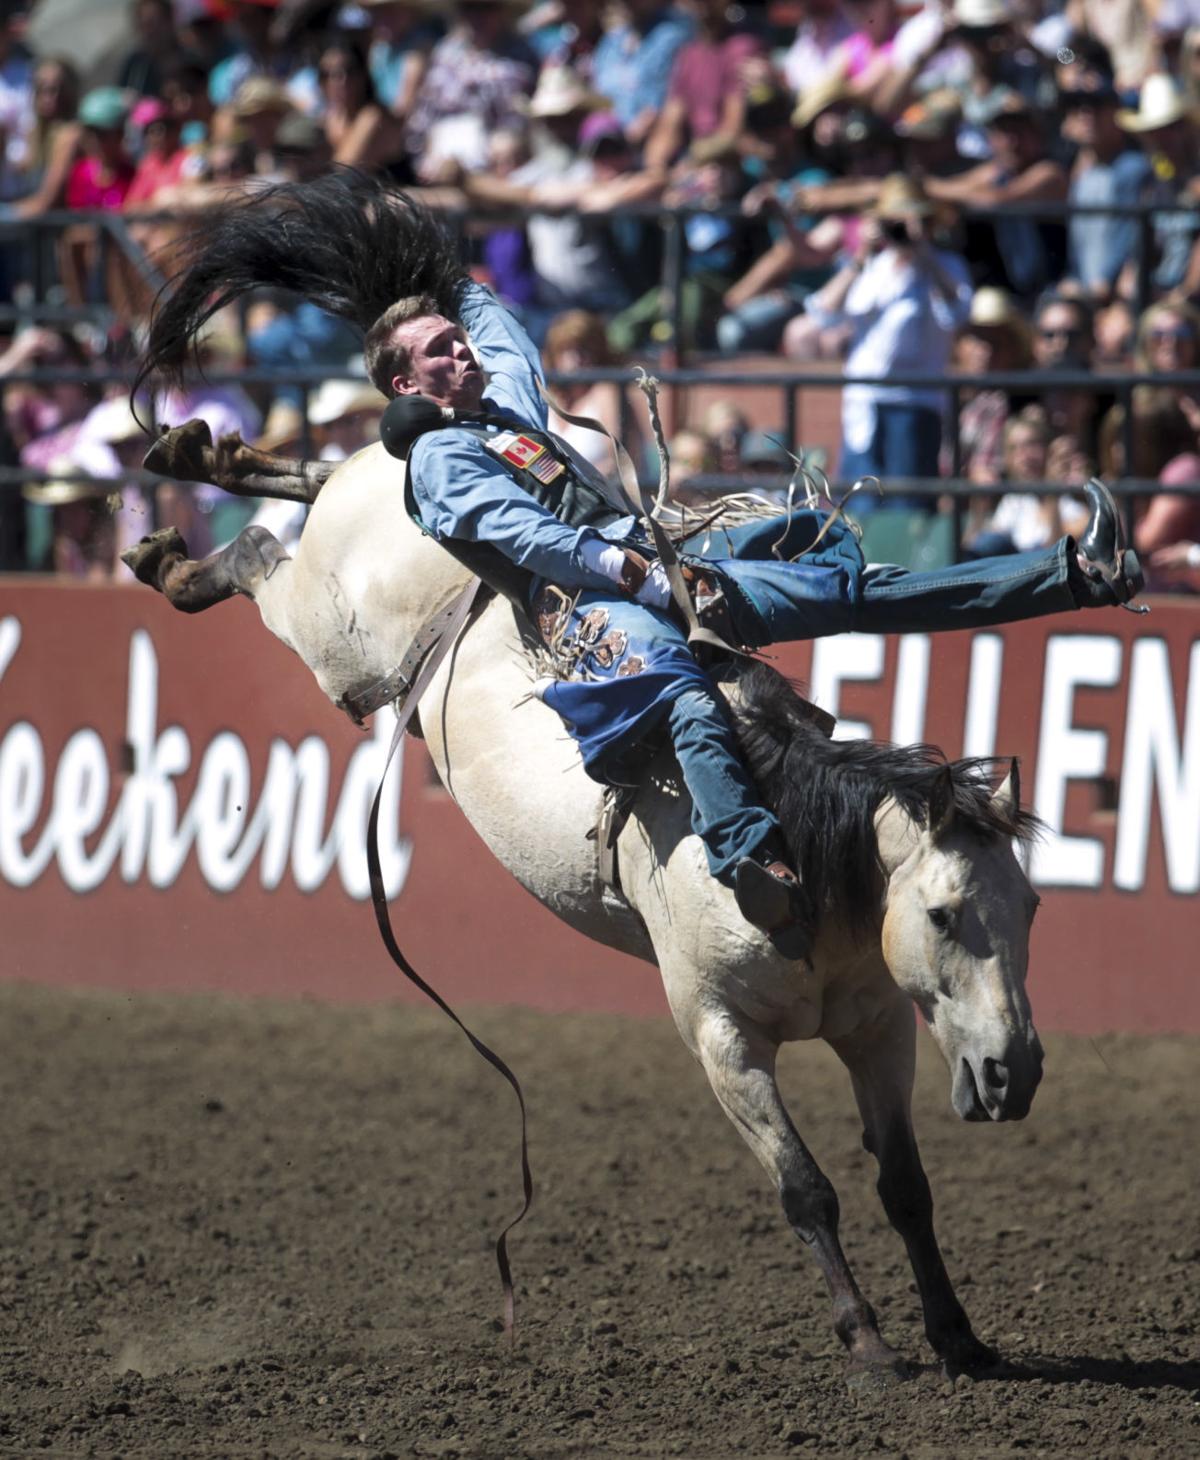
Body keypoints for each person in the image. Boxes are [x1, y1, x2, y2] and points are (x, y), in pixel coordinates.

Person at [367, 276, 1142, 956]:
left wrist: (452, 280)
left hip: (659, 557)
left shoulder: (499, 406)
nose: (460, 352)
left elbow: (507, 340)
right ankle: (748, 859)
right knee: (684, 698)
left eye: (457, 340)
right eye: (439, 351)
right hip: (583, 603)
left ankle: (1075, 575)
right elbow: (522, 534)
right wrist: (621, 568)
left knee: (854, 590)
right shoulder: (440, 459)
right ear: (406, 385)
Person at [802, 173, 972, 505]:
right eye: (894, 221)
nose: (902, 229)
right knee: (858, 505)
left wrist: (923, 253)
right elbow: (823, 312)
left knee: (907, 508)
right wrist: (860, 254)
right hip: (864, 401)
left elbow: (958, 313)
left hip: (915, 402)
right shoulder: (870, 267)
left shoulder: (947, 266)